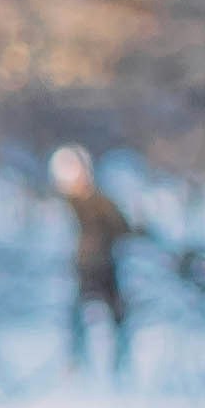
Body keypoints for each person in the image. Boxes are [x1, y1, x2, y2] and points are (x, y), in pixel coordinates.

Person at [50, 146, 142, 376]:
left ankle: (119, 366)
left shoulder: (100, 203)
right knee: (77, 321)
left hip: (103, 268)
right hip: (81, 270)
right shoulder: (61, 206)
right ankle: (76, 363)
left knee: (116, 317)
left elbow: (122, 228)